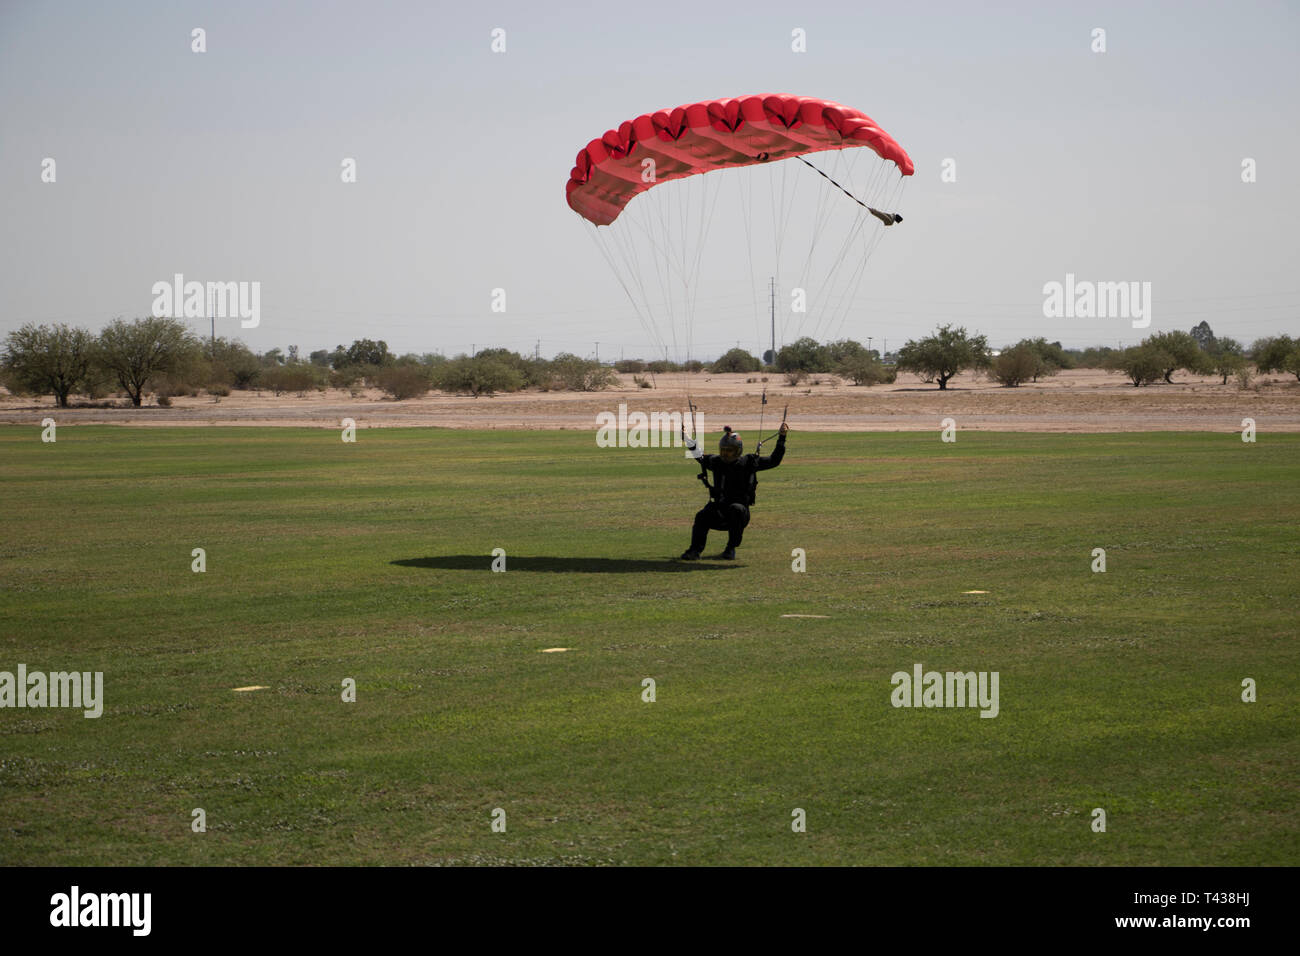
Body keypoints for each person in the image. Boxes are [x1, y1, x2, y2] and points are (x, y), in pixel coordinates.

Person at [679, 421, 788, 560]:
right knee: (702, 516)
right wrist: (686, 437)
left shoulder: (749, 463)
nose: (725, 454)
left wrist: (782, 438)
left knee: (735, 509)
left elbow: (774, 460)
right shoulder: (716, 462)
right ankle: (694, 551)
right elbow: (699, 456)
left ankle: (730, 548)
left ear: (737, 451)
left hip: (739, 514)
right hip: (720, 512)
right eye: (723, 450)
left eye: (729, 450)